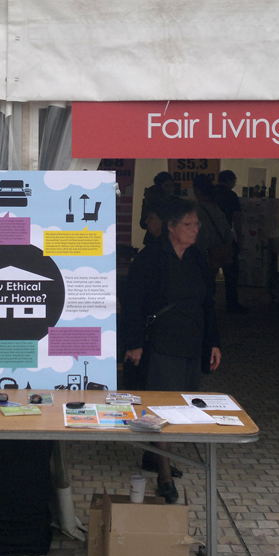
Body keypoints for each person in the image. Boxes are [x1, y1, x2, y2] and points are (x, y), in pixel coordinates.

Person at [119, 197, 222, 503]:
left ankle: (154, 457)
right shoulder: (151, 258)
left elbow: (207, 304)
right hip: (161, 344)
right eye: (189, 224)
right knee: (162, 408)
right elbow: (133, 302)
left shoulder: (197, 258)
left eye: (197, 224)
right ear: (171, 227)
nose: (195, 229)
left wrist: (213, 342)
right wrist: (134, 343)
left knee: (181, 405)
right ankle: (163, 474)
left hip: (191, 344)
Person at [214, 170, 247, 313]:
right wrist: (239, 237)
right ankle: (232, 303)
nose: (234, 184)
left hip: (211, 238)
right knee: (231, 273)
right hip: (226, 238)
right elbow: (237, 217)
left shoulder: (210, 193)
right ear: (229, 180)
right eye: (234, 181)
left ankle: (208, 303)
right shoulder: (231, 195)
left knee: (210, 272)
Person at [191, 174, 234, 273]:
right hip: (215, 257)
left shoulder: (195, 211)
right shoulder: (217, 210)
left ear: (197, 191)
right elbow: (228, 235)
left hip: (199, 257)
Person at [138, 172, 175, 247]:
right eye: (166, 186)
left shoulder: (150, 200)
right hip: (159, 240)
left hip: (154, 240)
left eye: (171, 186)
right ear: (159, 187)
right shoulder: (152, 201)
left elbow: (143, 223)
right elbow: (143, 223)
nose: (170, 189)